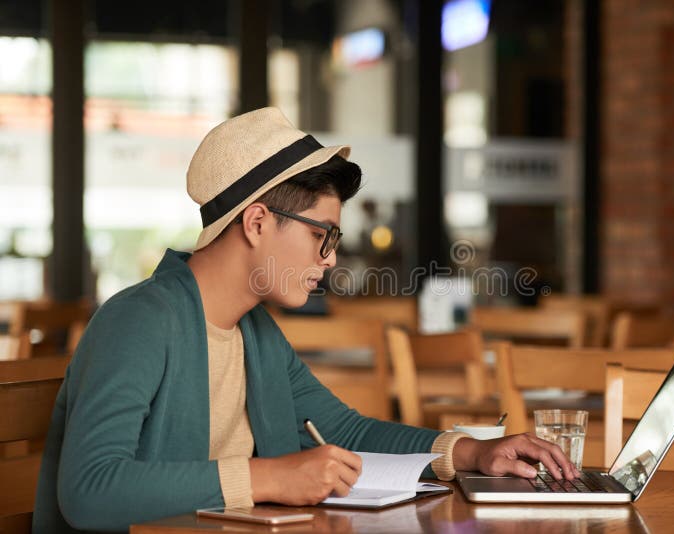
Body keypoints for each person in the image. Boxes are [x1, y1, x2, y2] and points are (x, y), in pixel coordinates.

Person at [32, 108, 578, 533]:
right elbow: (89, 489)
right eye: (322, 235)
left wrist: (472, 452)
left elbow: (346, 431)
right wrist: (270, 476)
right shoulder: (139, 321)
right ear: (257, 222)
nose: (331, 258)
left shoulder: (257, 332)